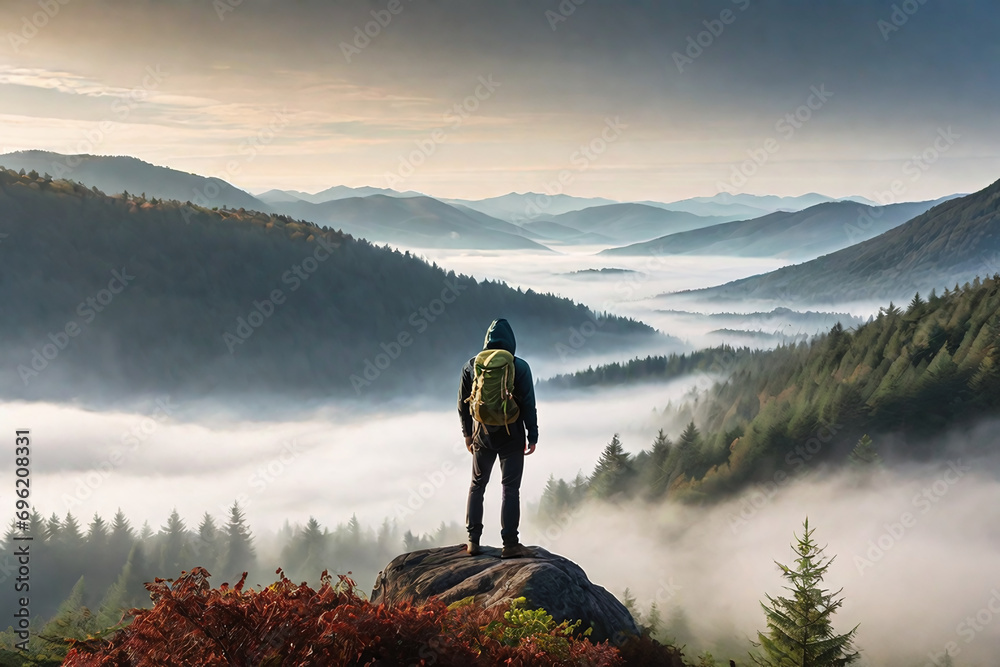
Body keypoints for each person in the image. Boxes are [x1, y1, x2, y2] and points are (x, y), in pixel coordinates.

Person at [458, 318, 537, 558]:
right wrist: (532, 435)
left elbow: (463, 404)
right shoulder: (519, 366)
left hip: (482, 434)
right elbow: (528, 406)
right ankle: (510, 544)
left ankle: (473, 541)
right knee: (510, 488)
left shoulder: (472, 365)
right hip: (512, 434)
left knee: (477, 485)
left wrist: (468, 434)